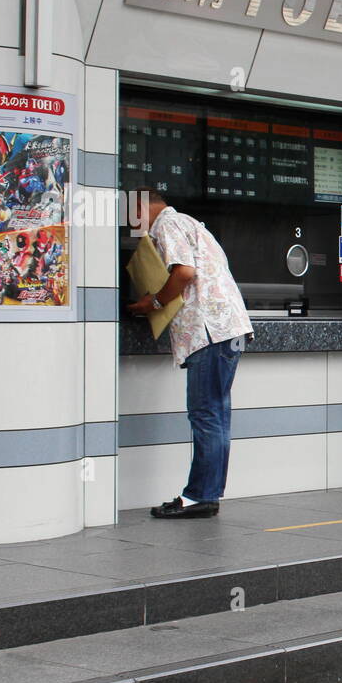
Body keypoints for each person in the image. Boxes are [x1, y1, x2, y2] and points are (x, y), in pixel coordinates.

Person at [126, 187, 254, 518]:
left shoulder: (166, 225)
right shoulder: (191, 223)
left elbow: (184, 272)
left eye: (130, 212)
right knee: (216, 414)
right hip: (225, 329)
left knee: (206, 413)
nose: (129, 221)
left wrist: (152, 302)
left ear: (142, 206)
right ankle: (206, 494)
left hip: (208, 331)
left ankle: (200, 496)